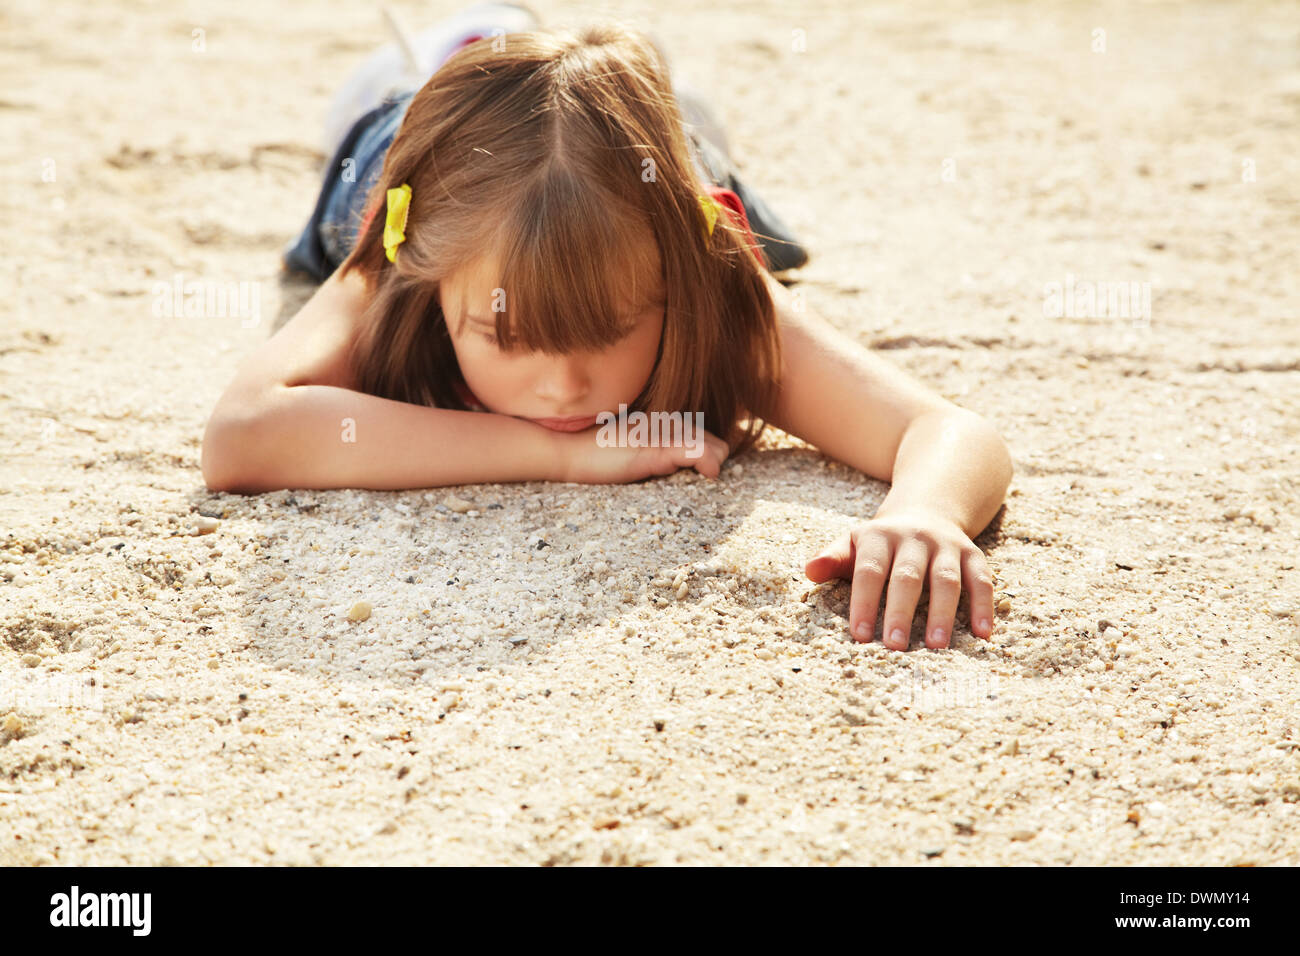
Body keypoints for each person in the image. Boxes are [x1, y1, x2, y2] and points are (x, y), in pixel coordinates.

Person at [202, 14, 1014, 653]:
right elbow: (242, 435)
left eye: (612, 328)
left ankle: (629, 84)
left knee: (680, 130)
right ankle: (488, 38)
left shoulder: (705, 274)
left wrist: (927, 510)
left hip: (653, 167)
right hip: (419, 134)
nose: (562, 386)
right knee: (395, 86)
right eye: (506, 333)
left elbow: (947, 429)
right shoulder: (408, 251)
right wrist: (563, 456)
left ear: (674, 282)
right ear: (427, 271)